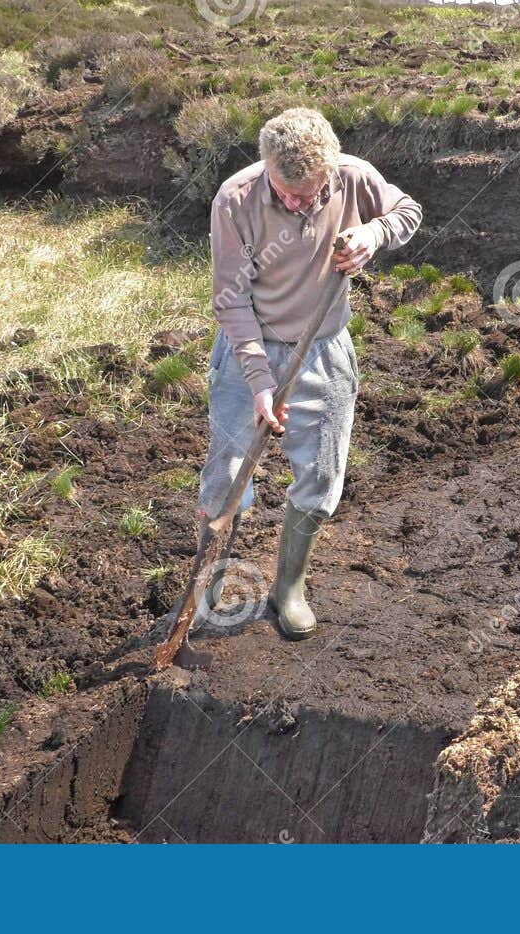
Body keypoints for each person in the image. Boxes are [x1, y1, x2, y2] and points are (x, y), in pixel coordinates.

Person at [193, 107, 422, 640]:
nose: (299, 204)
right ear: (266, 167)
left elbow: (408, 211)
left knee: (321, 472)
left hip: (323, 348)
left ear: (331, 169)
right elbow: (230, 301)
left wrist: (375, 232)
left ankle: (287, 587)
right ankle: (211, 582)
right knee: (227, 473)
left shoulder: (354, 176)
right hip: (247, 345)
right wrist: (258, 381)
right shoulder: (235, 199)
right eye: (287, 193)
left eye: (311, 193)